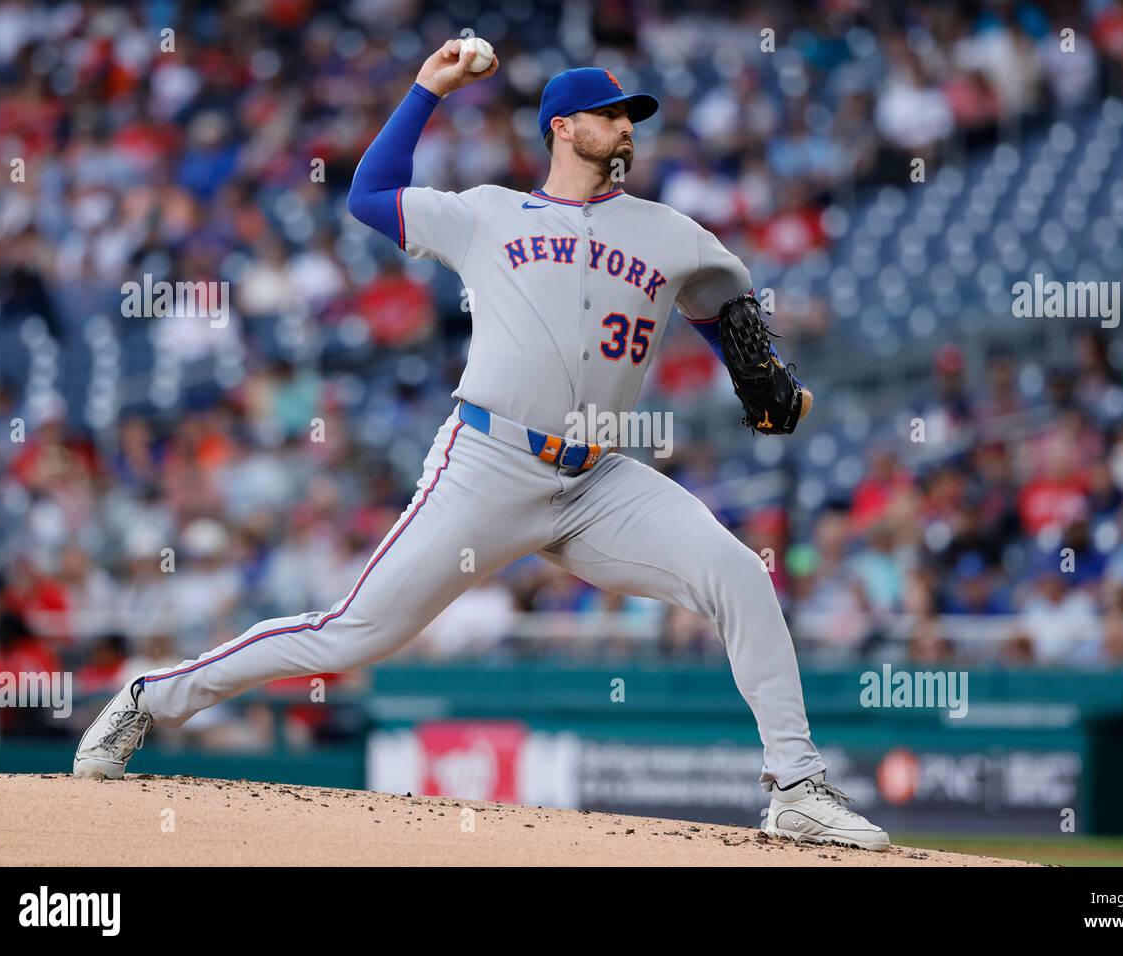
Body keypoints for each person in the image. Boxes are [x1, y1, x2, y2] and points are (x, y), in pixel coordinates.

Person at [73, 40, 889, 852]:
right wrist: (427, 90)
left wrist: (763, 384)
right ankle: (151, 697)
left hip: (598, 480)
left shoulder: (670, 233)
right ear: (564, 128)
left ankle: (796, 788)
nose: (628, 130)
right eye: (611, 117)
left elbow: (725, 309)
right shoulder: (487, 213)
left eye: (633, 118)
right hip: (487, 465)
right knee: (355, 632)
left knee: (739, 574)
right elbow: (369, 194)